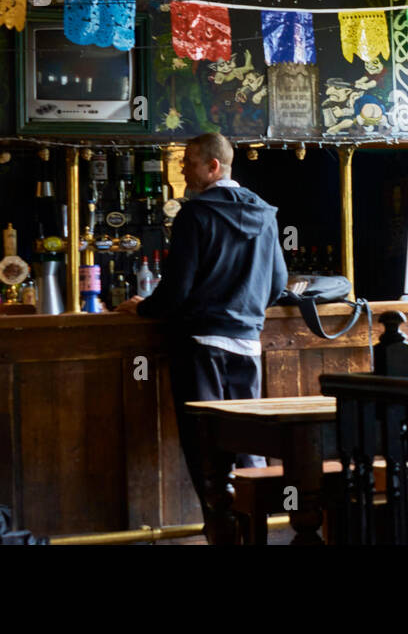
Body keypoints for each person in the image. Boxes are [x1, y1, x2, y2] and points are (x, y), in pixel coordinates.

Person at [114, 132, 287, 524]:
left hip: (201, 347)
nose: (182, 168)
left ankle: (221, 534)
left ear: (213, 166)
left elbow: (175, 292)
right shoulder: (266, 213)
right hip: (247, 345)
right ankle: (255, 531)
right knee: (249, 446)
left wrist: (143, 309)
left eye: (189, 161)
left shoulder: (195, 213)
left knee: (207, 452)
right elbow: (277, 284)